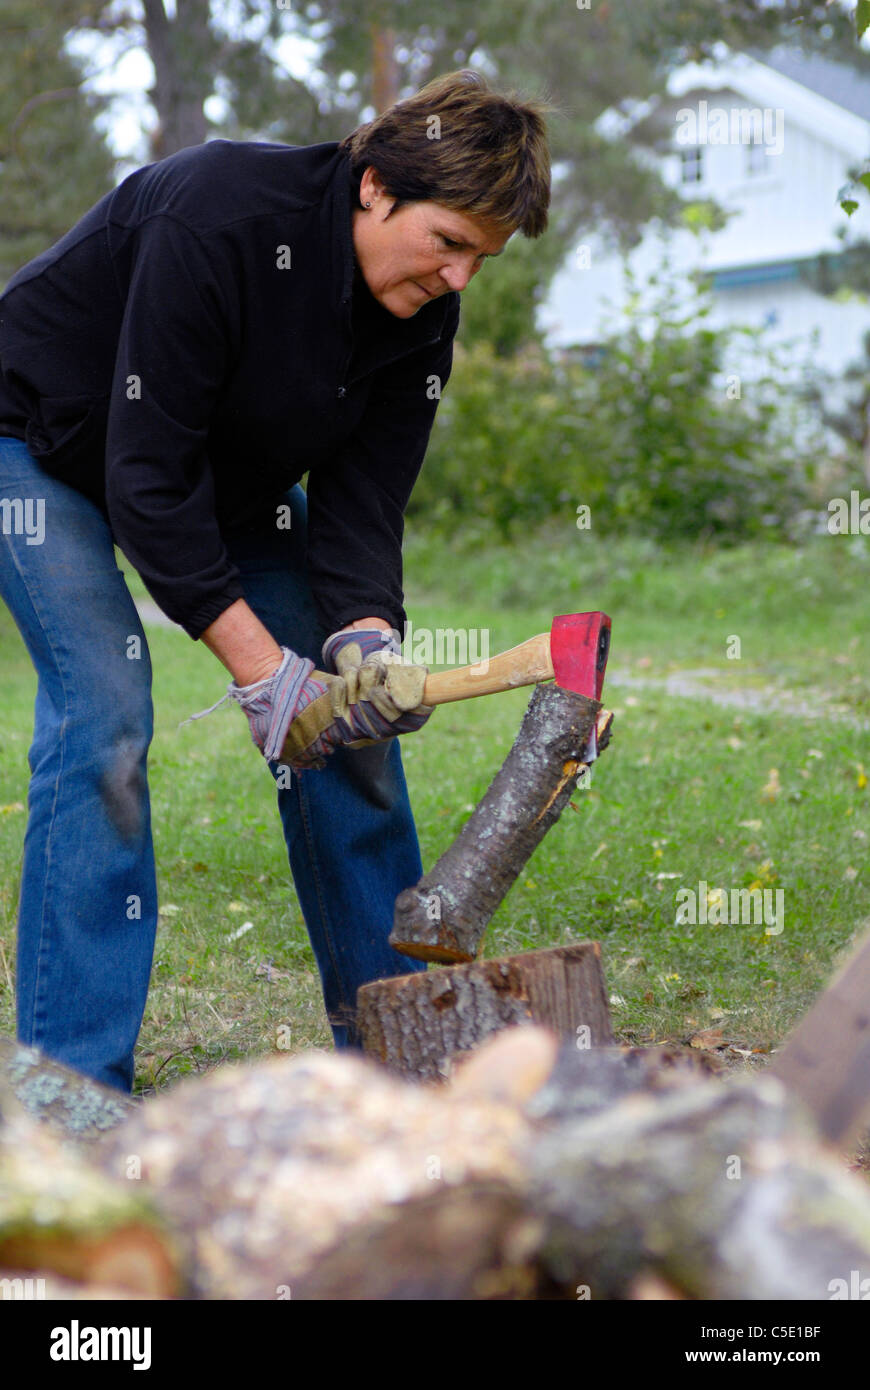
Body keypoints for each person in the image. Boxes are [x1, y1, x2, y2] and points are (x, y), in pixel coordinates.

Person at [0, 70, 551, 1093]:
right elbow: (146, 473)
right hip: (35, 441)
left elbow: (363, 499)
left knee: (355, 729)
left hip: (215, 473)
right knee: (105, 711)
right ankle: (70, 1094)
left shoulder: (421, 311)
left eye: (483, 256)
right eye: (449, 242)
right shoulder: (219, 214)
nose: (462, 279)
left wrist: (363, 641)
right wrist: (264, 673)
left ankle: (402, 1061)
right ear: (376, 185)